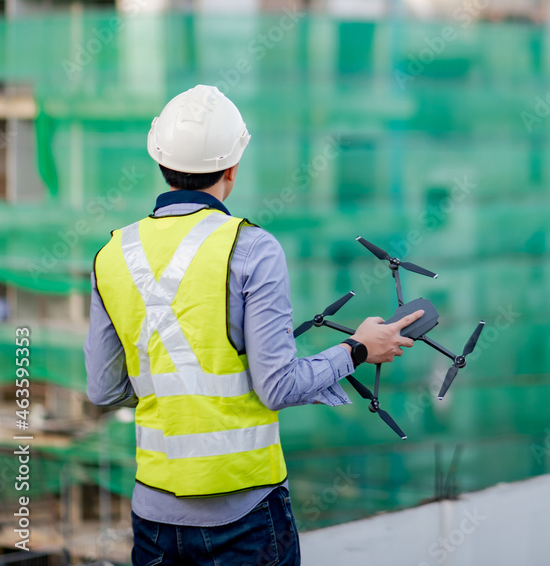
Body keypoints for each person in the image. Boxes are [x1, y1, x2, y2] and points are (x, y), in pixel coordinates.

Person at [84, 84, 423, 566]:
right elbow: (278, 387)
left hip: (154, 517)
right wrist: (357, 350)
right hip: (243, 516)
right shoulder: (251, 248)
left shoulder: (112, 255)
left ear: (159, 160)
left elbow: (102, 389)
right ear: (232, 169)